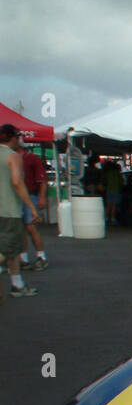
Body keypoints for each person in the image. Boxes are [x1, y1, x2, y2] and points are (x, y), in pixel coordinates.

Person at [1, 124, 41, 298]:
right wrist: (32, 207)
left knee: (13, 251)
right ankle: (17, 284)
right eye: (18, 137)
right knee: (10, 249)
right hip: (9, 211)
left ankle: (17, 284)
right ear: (13, 138)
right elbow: (17, 182)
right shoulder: (13, 157)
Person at [19, 142, 48, 270]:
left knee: (31, 227)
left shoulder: (33, 159)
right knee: (21, 229)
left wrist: (41, 198)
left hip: (30, 195)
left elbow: (42, 180)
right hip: (16, 197)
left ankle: (41, 257)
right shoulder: (10, 157)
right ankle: (23, 259)